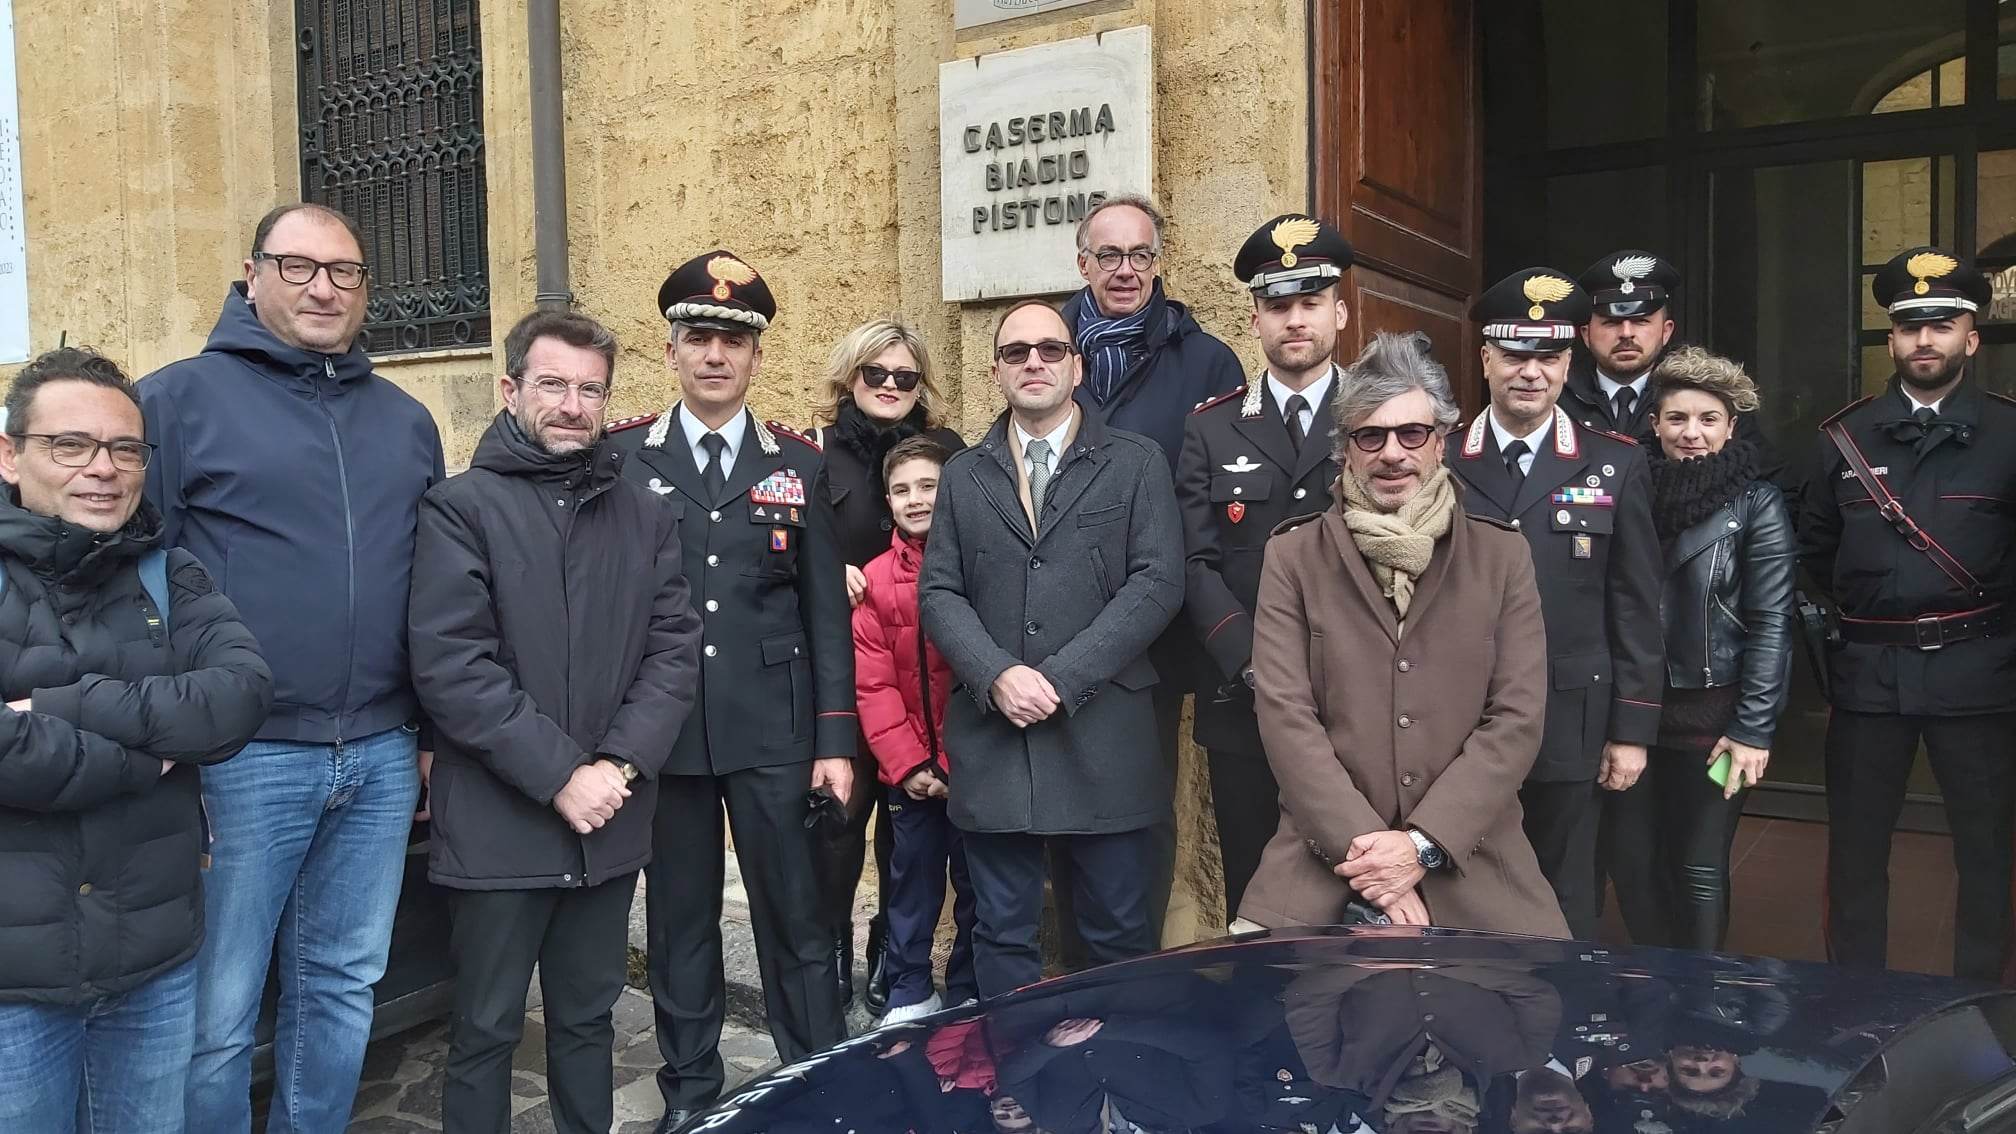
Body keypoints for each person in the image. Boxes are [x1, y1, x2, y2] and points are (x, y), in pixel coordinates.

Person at [141, 202, 446, 1132]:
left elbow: (437, 587)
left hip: (383, 752)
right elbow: (138, 577)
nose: (323, 287)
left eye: (343, 271)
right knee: (220, 1008)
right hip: (243, 756)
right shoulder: (175, 400)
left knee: (344, 984)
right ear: (252, 273)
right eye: (299, 266)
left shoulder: (406, 420)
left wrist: (431, 731)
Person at [407, 310, 703, 1134]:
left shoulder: (645, 516)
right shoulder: (460, 507)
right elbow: (452, 665)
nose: (573, 404)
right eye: (553, 384)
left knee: (586, 1022)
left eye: (590, 389)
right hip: (501, 824)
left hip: (607, 822)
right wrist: (561, 776)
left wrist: (616, 768)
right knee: (487, 1030)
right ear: (511, 390)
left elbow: (673, 653)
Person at [605, 250, 856, 1132]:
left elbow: (828, 615)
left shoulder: (801, 463)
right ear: (671, 350)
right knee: (679, 924)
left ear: (756, 360)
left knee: (795, 913)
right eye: (699, 338)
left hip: (776, 731)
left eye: (733, 343)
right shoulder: (623, 457)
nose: (715, 356)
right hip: (663, 734)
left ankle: (814, 1078)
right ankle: (690, 1092)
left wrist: (834, 743)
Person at [0, 348, 272, 1134]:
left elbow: (241, 695)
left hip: (151, 964)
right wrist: (150, 756)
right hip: (14, 985)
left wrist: (59, 704)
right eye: (71, 445)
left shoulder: (167, 574)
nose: (104, 469)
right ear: (12, 456)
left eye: (125, 449)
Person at [1236, 331, 1567, 938]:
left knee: (1526, 1016)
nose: (1393, 453)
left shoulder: (1501, 555)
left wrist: (1419, 848)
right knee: (1273, 1017)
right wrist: (1371, 859)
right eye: (1371, 435)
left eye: (1411, 433)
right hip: (1322, 861)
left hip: (1473, 858)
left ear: (1440, 443)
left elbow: (1517, 715)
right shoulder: (1294, 554)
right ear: (1346, 450)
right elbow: (1286, 716)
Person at [919, 298, 1183, 997]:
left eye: (1050, 349)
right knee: (1002, 935)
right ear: (996, 370)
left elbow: (1157, 585)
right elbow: (939, 592)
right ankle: (1013, 1092)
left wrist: (1062, 678)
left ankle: (1120, 1090)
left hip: (1105, 735)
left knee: (1117, 937)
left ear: (1078, 364)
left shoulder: (1135, 463)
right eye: (1016, 352)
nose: (1033, 362)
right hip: (996, 736)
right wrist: (996, 673)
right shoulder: (963, 475)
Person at [1799, 245, 2016, 982]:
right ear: (1891, 339)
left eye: (1943, 324)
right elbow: (1813, 553)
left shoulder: (2013, 434)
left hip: (1982, 674)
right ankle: (1853, 1004)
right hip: (1870, 678)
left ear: (1971, 337)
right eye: (1910, 326)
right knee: (1856, 854)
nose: (1926, 340)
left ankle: (1985, 1010)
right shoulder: (1843, 439)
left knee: (1987, 854)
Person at [1443, 268, 1664, 941]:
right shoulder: (1438, 456)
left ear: (1568, 362)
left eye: (1546, 358)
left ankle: (1560, 1037)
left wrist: (1631, 730)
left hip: (1570, 716)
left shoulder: (1615, 463)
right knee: (1459, 878)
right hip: (1457, 717)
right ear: (1486, 359)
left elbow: (1636, 603)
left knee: (1565, 887)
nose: (1530, 373)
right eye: (1514, 356)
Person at [1060, 194, 1243, 954]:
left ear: (1159, 262)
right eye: (1109, 256)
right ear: (1083, 264)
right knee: (1066, 794)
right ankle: (1075, 962)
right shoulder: (1046, 348)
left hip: (1159, 628)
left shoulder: (1206, 359)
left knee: (1145, 799)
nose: (1126, 271)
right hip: (1063, 621)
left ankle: (1138, 966)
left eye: (1140, 256)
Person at [1177, 213, 1353, 924]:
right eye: (1279, 306)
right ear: (1255, 319)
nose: (1295, 320)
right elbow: (1192, 558)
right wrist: (1252, 664)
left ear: (1339, 312)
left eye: (1310, 303)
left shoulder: (1384, 419)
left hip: (1359, 697)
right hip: (1242, 698)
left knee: (1358, 879)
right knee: (1256, 885)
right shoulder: (1211, 426)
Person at [1603, 347, 1795, 952]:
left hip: (1716, 720)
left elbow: (1771, 623)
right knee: (1634, 866)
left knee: (1699, 866)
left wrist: (1755, 728)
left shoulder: (1756, 504)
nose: (1692, 433)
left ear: (1731, 427)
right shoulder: (1625, 492)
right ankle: (1658, 992)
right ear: (1654, 424)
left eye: (1708, 419)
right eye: (1678, 419)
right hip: (1634, 712)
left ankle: (1701, 1002)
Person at [806, 318, 964, 1014]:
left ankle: (887, 952)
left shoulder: (948, 453)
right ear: (851, 377)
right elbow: (785, 544)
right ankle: (832, 946)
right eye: (877, 374)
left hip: (923, 678)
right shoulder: (815, 456)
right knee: (842, 819)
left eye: (906, 376)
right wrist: (823, 571)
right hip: (848, 668)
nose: (892, 387)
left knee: (907, 828)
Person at [851, 436, 977, 1025]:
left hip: (973, 768)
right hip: (909, 773)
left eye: (928, 486)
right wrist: (913, 767)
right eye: (902, 490)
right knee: (910, 886)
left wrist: (954, 764)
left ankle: (970, 988)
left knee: (977, 887)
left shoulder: (980, 565)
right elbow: (873, 687)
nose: (915, 499)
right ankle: (906, 988)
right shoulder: (874, 581)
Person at [1564, 250, 1784, 483]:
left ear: (1666, 331)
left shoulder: (1710, 396)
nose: (1626, 333)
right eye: (1611, 322)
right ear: (1586, 335)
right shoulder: (1557, 399)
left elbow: (1775, 488)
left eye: (1641, 321)